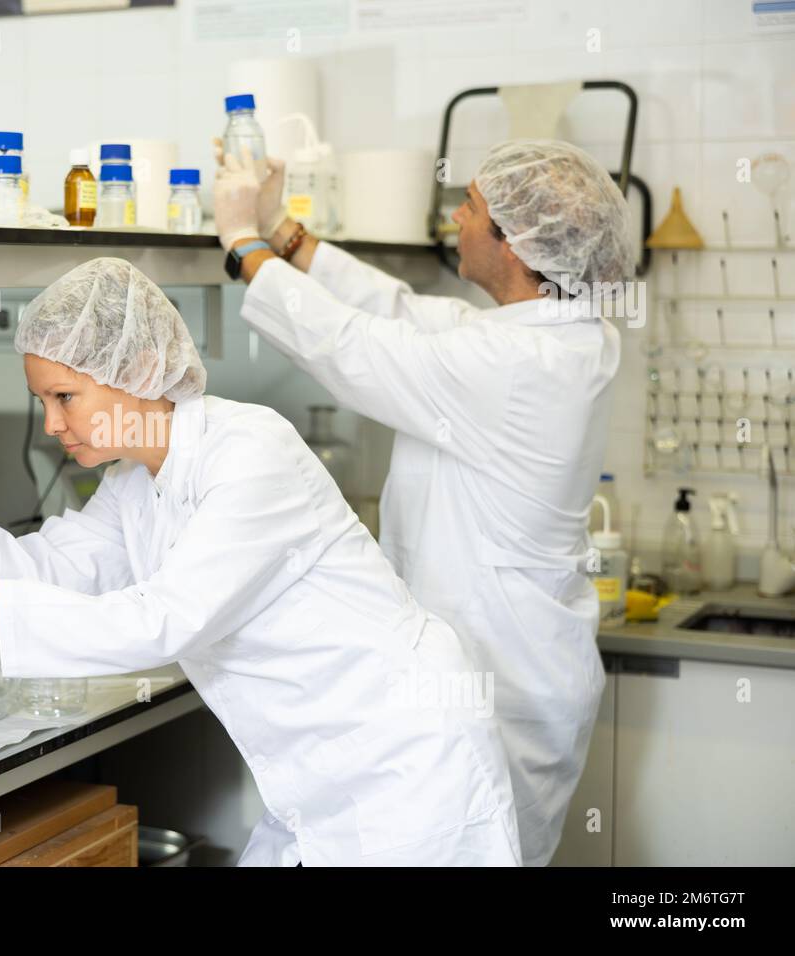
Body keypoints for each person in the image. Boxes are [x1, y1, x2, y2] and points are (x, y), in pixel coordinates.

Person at [0, 257, 521, 866]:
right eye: (42, 401)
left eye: (65, 397)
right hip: (323, 777)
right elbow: (47, 570)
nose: (52, 425)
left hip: (404, 764)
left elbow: (162, 622)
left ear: (136, 372)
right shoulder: (136, 482)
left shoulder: (251, 452)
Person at [212, 139, 635, 866]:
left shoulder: (515, 366)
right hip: (499, 665)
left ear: (517, 246)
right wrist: (285, 231)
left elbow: (353, 346)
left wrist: (241, 244)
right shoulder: (557, 336)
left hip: (503, 683)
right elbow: (401, 312)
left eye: (470, 207)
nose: (454, 220)